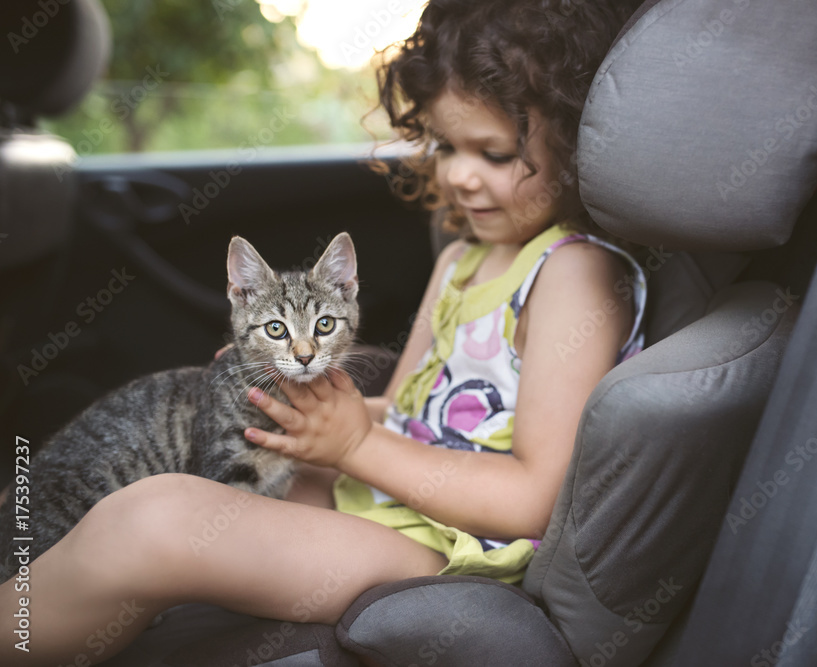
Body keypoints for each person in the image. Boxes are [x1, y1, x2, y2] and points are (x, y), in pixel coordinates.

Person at [0, 0, 646, 663]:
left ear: (574, 146)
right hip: (392, 495)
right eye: (446, 146)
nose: (458, 174)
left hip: (457, 544)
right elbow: (403, 411)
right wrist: (304, 417)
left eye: (495, 152)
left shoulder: (573, 276)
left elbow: (535, 498)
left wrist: (355, 441)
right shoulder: (462, 259)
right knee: (188, 467)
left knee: (158, 519)